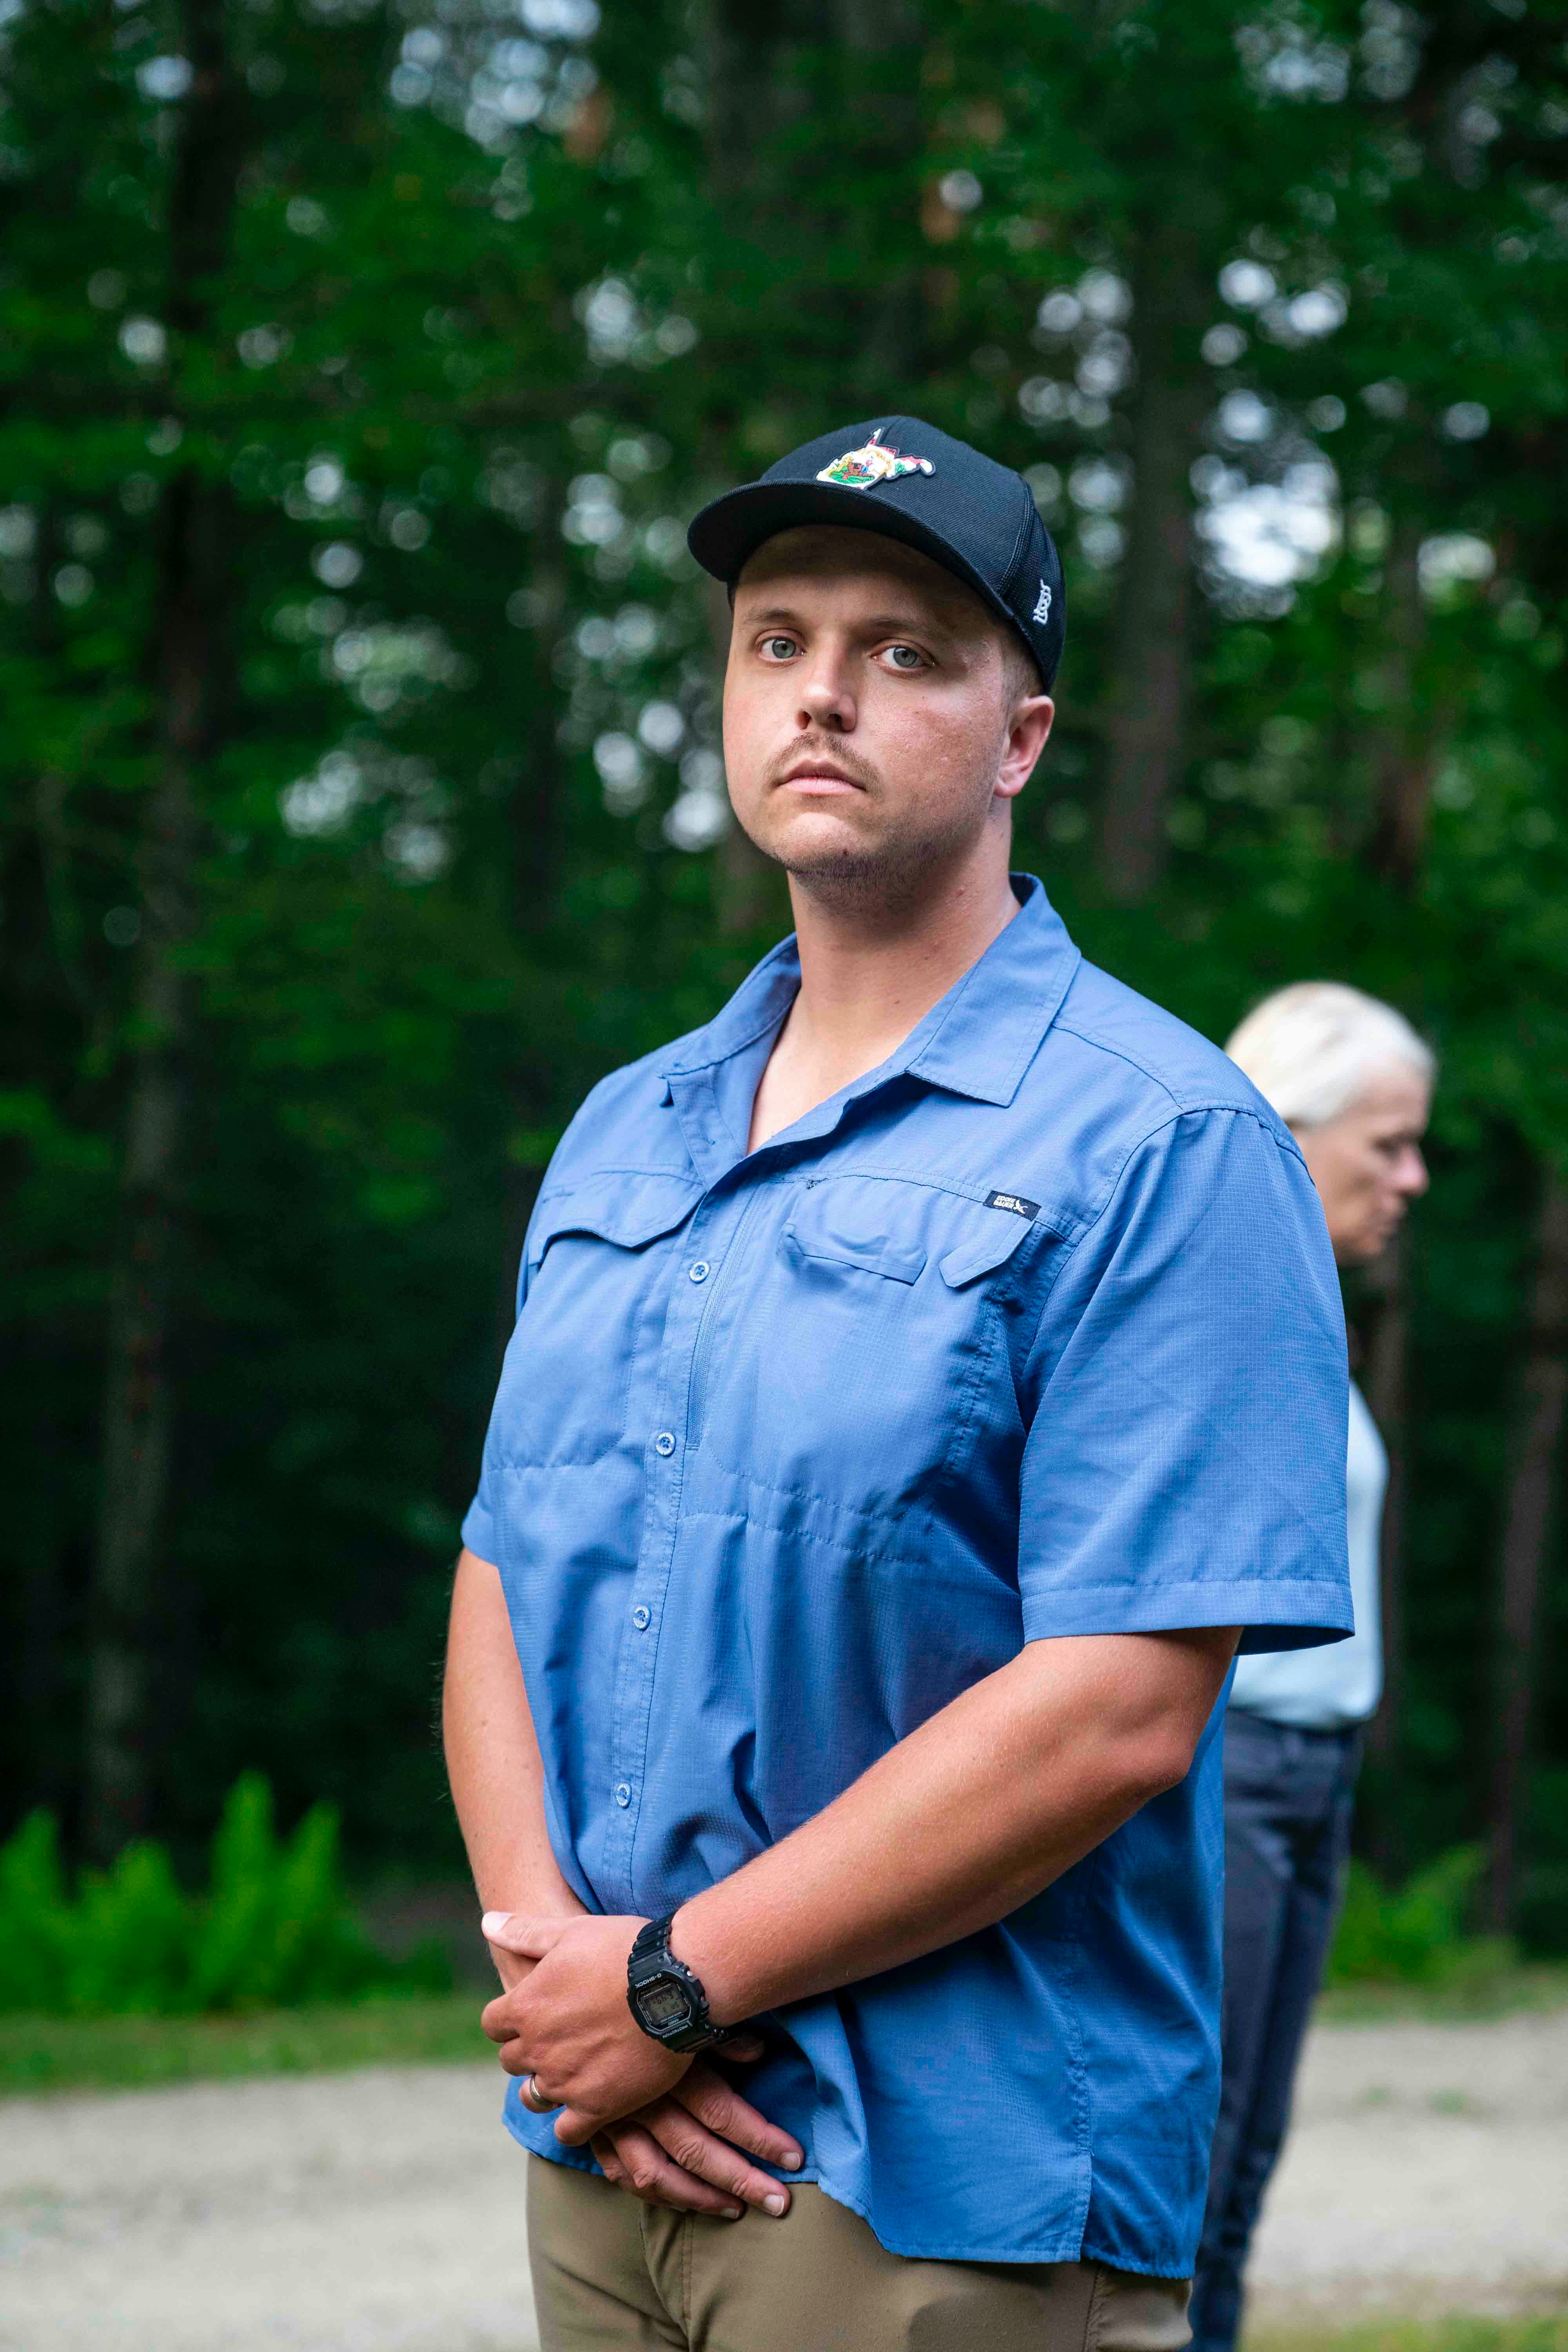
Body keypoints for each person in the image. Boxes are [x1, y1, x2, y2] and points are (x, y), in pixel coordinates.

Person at [443, 416, 1354, 2352]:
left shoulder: (1168, 1143)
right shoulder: (628, 1130)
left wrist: (674, 1987)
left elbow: (1116, 1701)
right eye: (775, 641)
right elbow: (503, 1569)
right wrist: (568, 1994)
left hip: (948, 2191)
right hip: (604, 2148)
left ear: (1020, 735)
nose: (823, 695)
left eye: (906, 650)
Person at [1190, 982, 1434, 2352]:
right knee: (1201, 2170)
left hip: (1306, 1781)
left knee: (1242, 2171)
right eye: (1388, 1144)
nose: (1410, 1179)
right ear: (1291, 1130)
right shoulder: (1217, 1303)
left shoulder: (1300, 1305)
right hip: (1229, 1773)